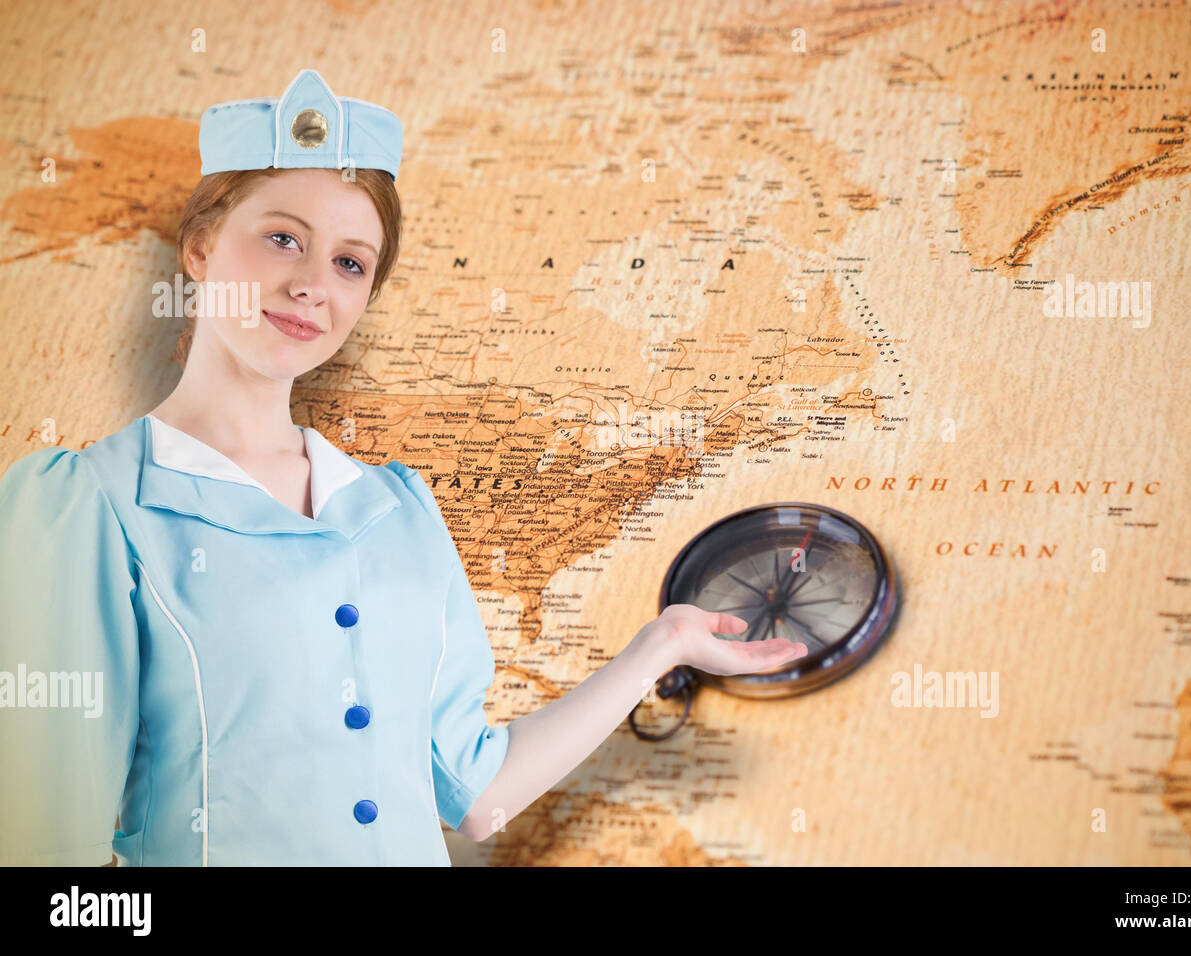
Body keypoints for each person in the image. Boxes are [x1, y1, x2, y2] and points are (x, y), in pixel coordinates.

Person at [0, 69, 807, 866]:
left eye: (351, 263)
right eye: (283, 237)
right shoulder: (89, 506)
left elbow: (478, 795)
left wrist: (660, 646)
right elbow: (41, 848)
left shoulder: (396, 508)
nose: (313, 284)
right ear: (202, 246)